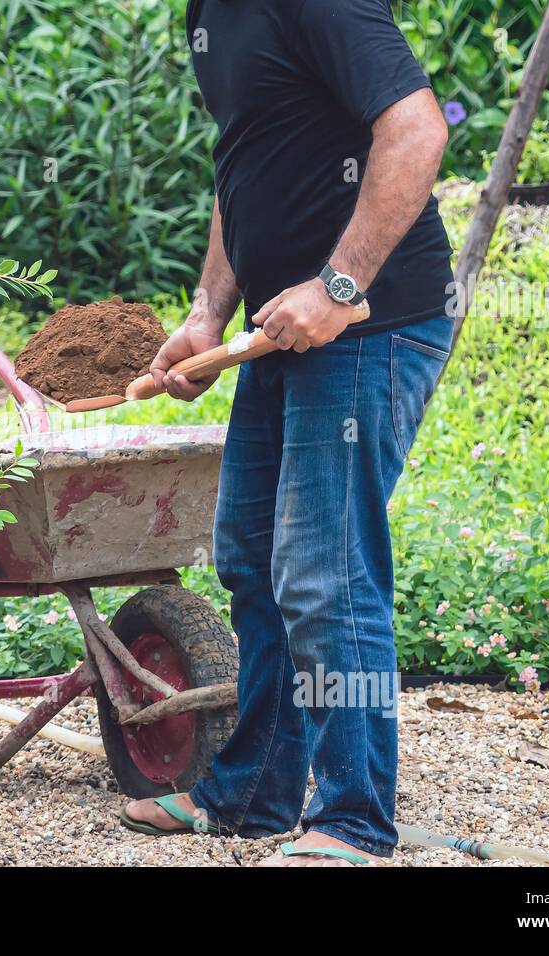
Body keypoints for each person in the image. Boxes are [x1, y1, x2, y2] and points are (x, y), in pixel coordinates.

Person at [120, 0, 455, 866]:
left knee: (325, 571)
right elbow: (249, 169)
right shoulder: (209, 11)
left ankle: (351, 820)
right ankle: (257, 795)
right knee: (251, 554)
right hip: (276, 332)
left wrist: (336, 288)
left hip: (369, 323)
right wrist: (206, 315)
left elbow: (417, 130)